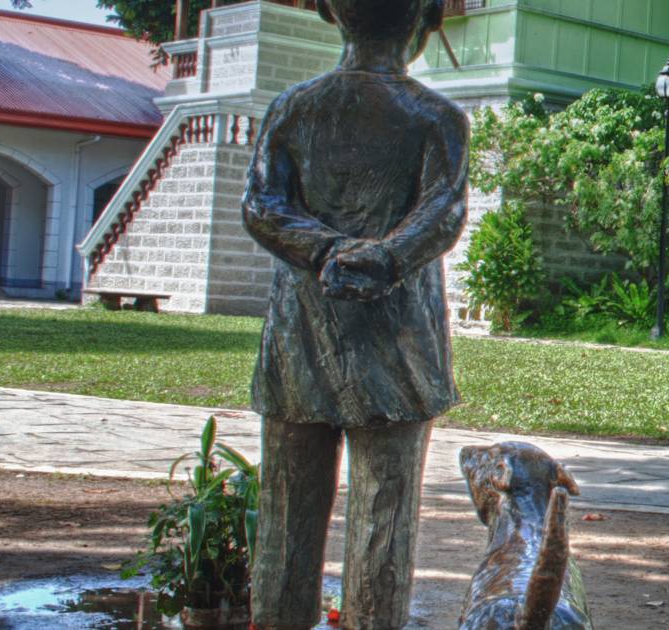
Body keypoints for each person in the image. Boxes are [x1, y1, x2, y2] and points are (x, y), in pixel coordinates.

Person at [241, 0, 467, 627]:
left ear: (334, 17)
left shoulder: (293, 106)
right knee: (384, 516)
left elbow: (261, 207)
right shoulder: (437, 116)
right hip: (398, 345)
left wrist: (324, 251)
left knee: (288, 511)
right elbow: (443, 214)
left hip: (300, 338)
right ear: (422, 21)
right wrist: (380, 258)